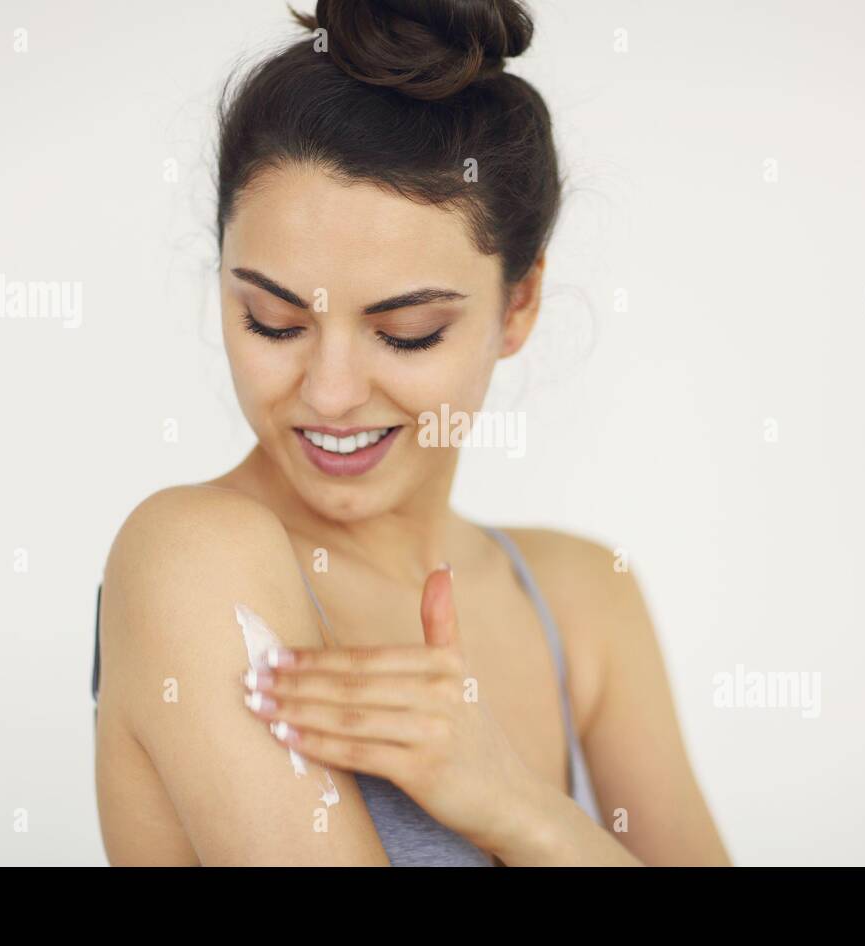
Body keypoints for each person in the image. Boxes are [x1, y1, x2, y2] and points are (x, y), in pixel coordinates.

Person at [92, 0, 730, 866]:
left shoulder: (583, 603)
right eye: (274, 320)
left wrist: (516, 806)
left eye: (408, 332)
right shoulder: (193, 560)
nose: (332, 391)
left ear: (520, 303)